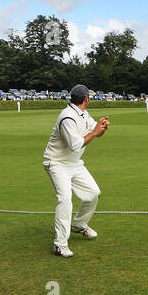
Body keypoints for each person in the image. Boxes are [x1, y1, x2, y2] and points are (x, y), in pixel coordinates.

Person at [44, 85, 108, 258]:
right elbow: (75, 145)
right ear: (86, 99)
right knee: (65, 199)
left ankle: (79, 225)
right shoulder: (67, 117)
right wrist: (95, 132)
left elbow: (95, 131)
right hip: (56, 163)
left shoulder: (83, 114)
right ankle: (60, 244)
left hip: (73, 163)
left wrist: (101, 127)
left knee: (93, 193)